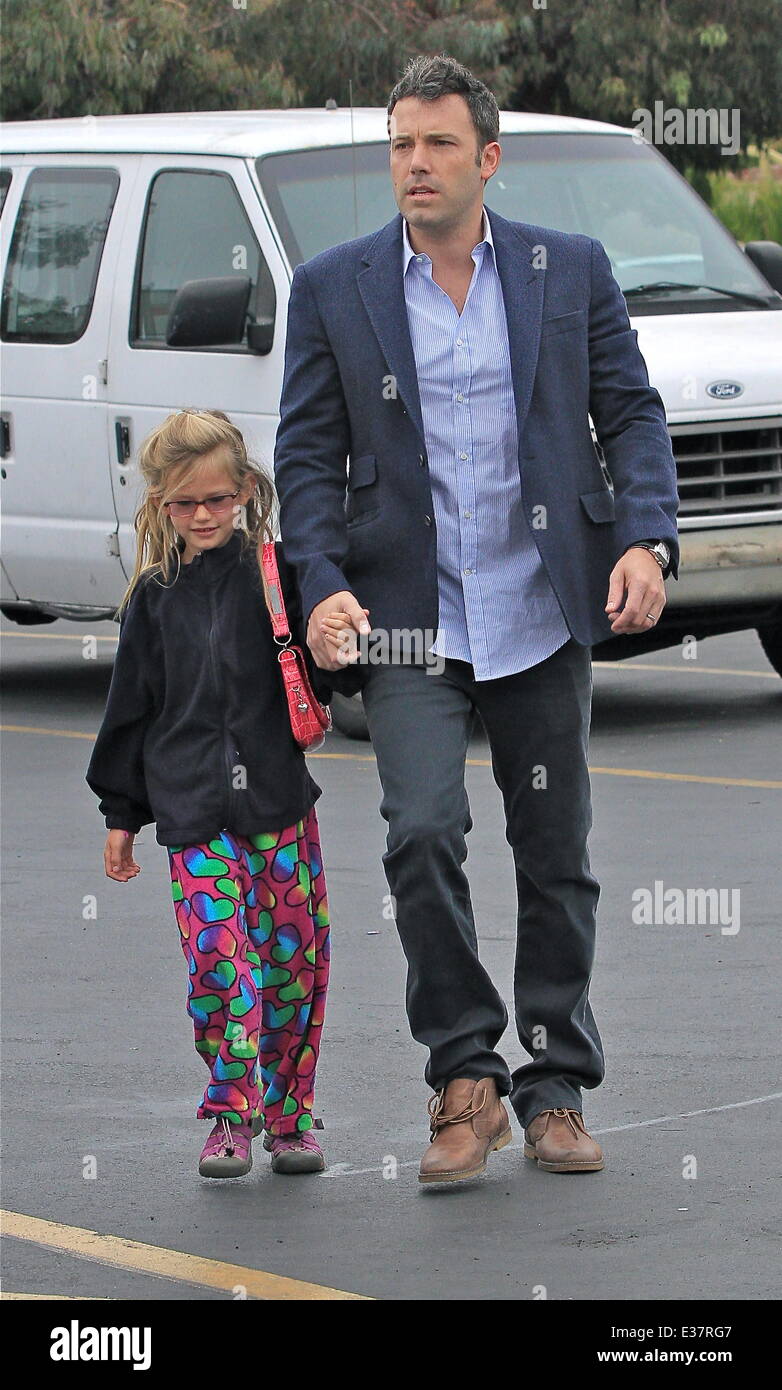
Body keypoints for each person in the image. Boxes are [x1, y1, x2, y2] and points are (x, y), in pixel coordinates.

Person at [274, 54, 679, 1184]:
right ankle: (464, 1077)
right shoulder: (334, 287)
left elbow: (631, 416)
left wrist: (644, 540)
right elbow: (304, 457)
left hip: (540, 609)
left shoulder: (570, 272)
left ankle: (552, 1085)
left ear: (485, 158)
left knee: (554, 852)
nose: (413, 162)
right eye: (400, 143)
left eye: (437, 143)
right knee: (417, 833)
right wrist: (317, 585)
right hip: (406, 618)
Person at [86, 409, 331, 1179]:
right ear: (161, 505)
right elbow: (130, 713)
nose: (202, 516)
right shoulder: (155, 601)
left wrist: (347, 646)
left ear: (246, 494)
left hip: (281, 808)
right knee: (221, 965)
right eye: (185, 503)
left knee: (293, 973)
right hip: (193, 816)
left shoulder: (279, 578)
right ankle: (229, 1113)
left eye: (217, 500)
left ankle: (289, 1118)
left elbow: (323, 674)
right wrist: (121, 816)